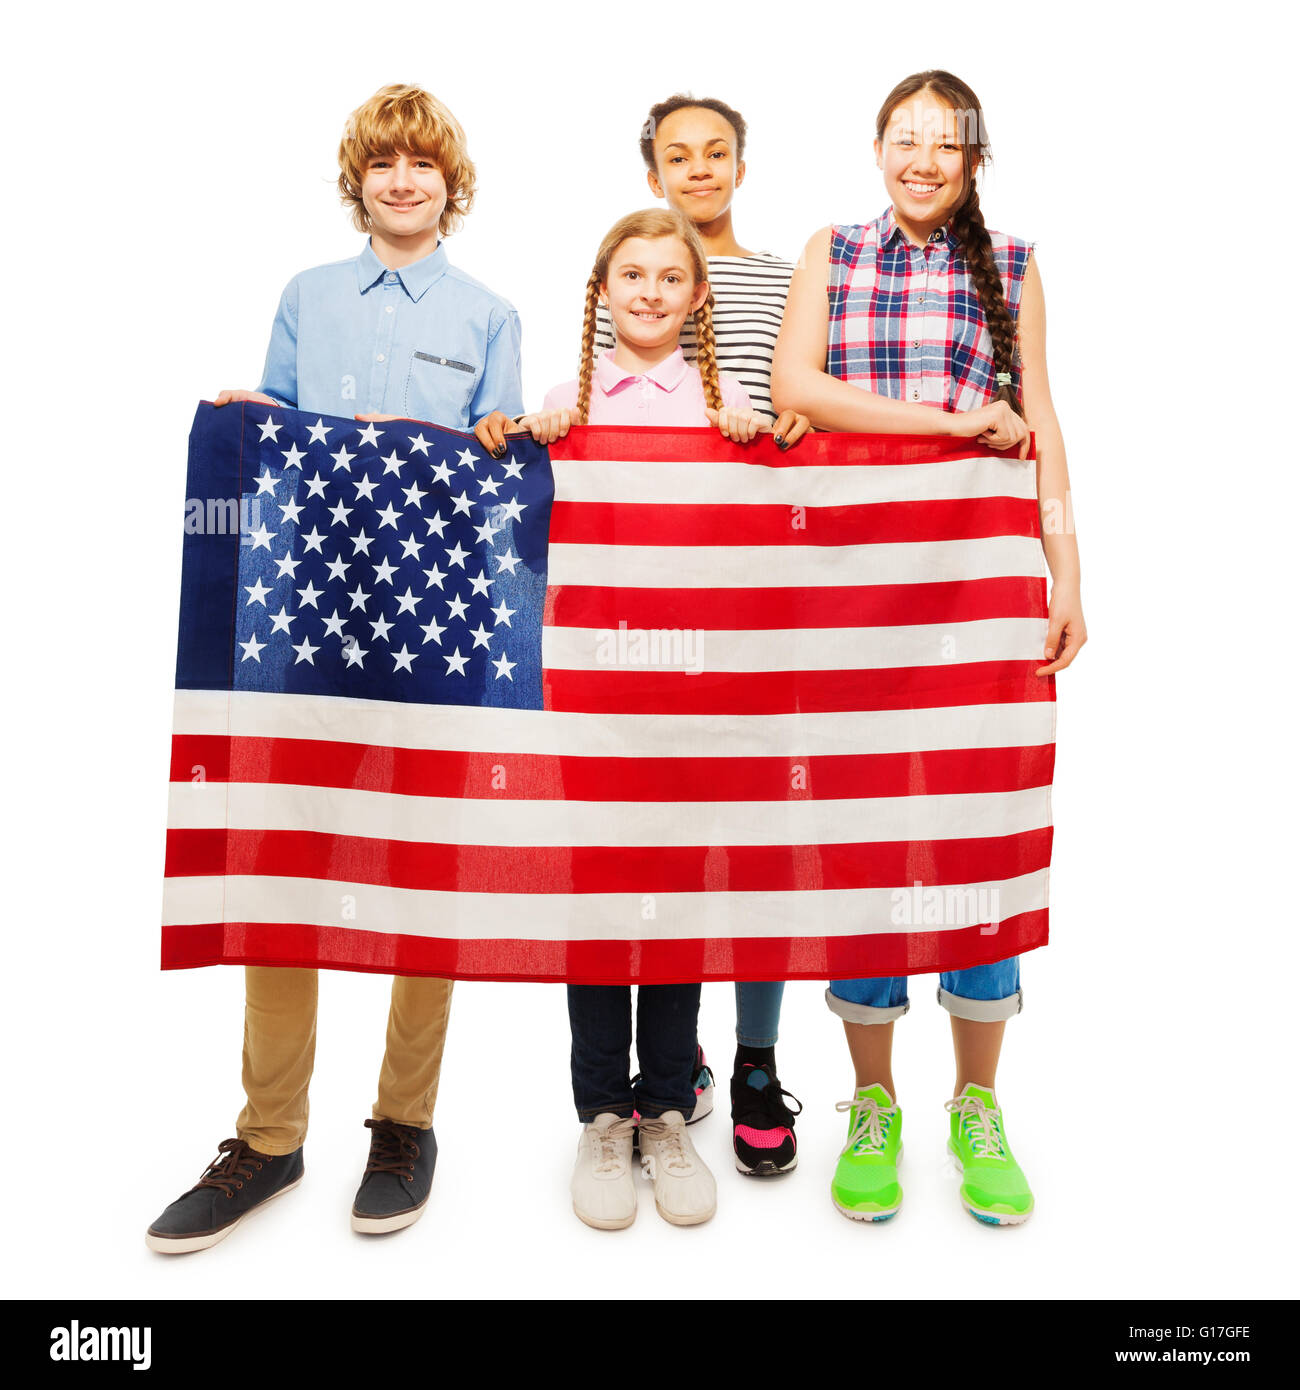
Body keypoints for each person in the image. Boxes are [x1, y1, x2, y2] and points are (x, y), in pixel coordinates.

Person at [147, 83, 524, 1253]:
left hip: (431, 633)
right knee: (281, 861)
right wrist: (245, 416)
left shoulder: (490, 316)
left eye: (422, 165)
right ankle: (269, 1135)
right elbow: (284, 443)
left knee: (425, 875)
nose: (402, 182)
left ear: (449, 183)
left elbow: (503, 486)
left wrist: (509, 440)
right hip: (307, 624)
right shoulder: (306, 296)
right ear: (359, 179)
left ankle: (403, 1123)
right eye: (382, 166)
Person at [771, 69, 1086, 1225]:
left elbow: (1042, 417)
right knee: (864, 835)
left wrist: (1067, 566)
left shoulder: (1012, 261)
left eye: (942, 145)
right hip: (853, 587)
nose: (921, 159)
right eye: (903, 138)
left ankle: (975, 1103)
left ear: (970, 159)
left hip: (976, 585)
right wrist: (950, 422)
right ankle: (871, 1104)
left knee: (975, 831)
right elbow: (795, 383)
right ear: (874, 148)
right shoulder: (832, 250)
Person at [477, 207, 768, 1228]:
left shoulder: (727, 398)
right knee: (598, 904)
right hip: (594, 696)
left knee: (677, 900)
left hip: (689, 699)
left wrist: (759, 434)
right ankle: (602, 1111)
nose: (648, 290)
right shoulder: (571, 400)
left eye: (667, 275)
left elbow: (778, 508)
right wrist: (524, 438)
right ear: (603, 293)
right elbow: (524, 526)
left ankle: (666, 1109)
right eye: (628, 275)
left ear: (696, 297)